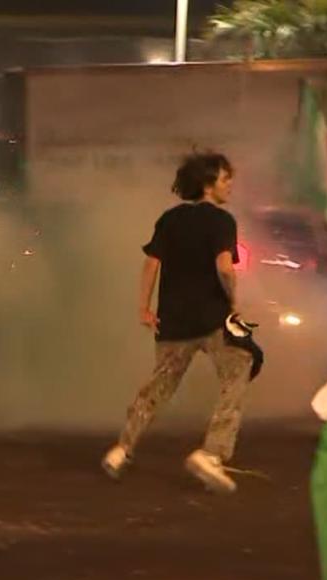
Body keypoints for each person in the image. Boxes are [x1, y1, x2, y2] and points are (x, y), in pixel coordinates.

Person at [101, 151, 254, 494]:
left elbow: (150, 265)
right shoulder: (222, 221)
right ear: (208, 183)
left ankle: (121, 450)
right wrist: (234, 303)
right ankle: (212, 454)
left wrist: (144, 307)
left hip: (173, 320)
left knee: (158, 388)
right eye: (225, 179)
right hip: (213, 320)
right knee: (238, 370)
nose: (230, 186)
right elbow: (225, 268)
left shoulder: (169, 220)